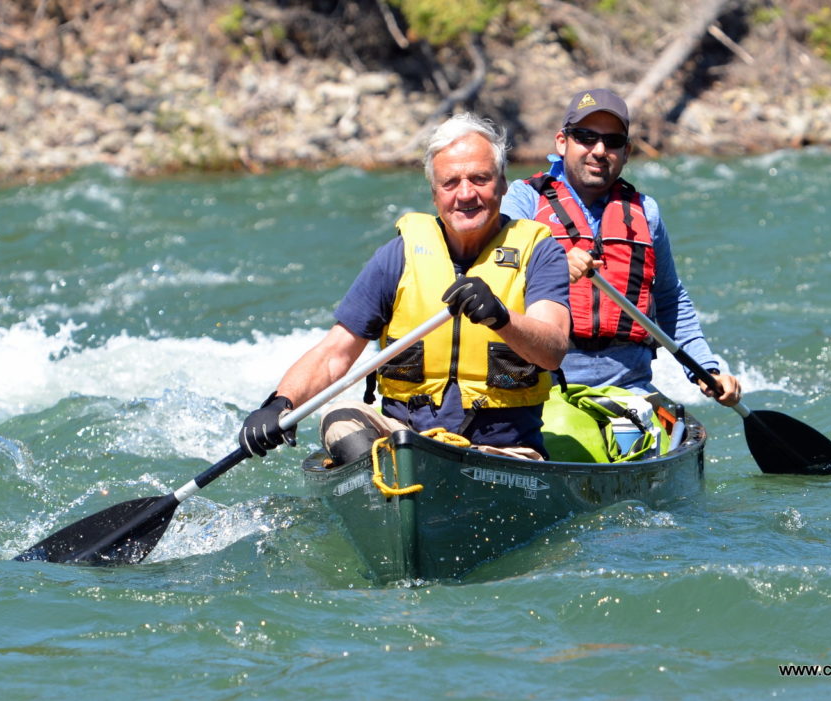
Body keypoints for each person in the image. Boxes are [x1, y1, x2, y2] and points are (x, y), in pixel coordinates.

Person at [239, 113, 571, 463]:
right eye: (450, 182)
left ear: (502, 184)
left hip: (503, 449)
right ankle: (385, 482)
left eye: (480, 179)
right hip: (405, 442)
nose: (466, 194)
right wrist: (281, 403)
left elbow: (552, 349)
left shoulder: (540, 252)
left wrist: (502, 319)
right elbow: (335, 353)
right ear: (434, 193)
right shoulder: (399, 256)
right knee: (337, 420)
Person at [500, 88, 742, 406]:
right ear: (562, 142)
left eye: (612, 142)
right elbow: (497, 270)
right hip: (541, 387)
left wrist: (706, 369)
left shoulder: (647, 213)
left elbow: (671, 301)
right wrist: (553, 263)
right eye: (585, 137)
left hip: (630, 390)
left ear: (626, 152)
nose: (599, 150)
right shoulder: (523, 199)